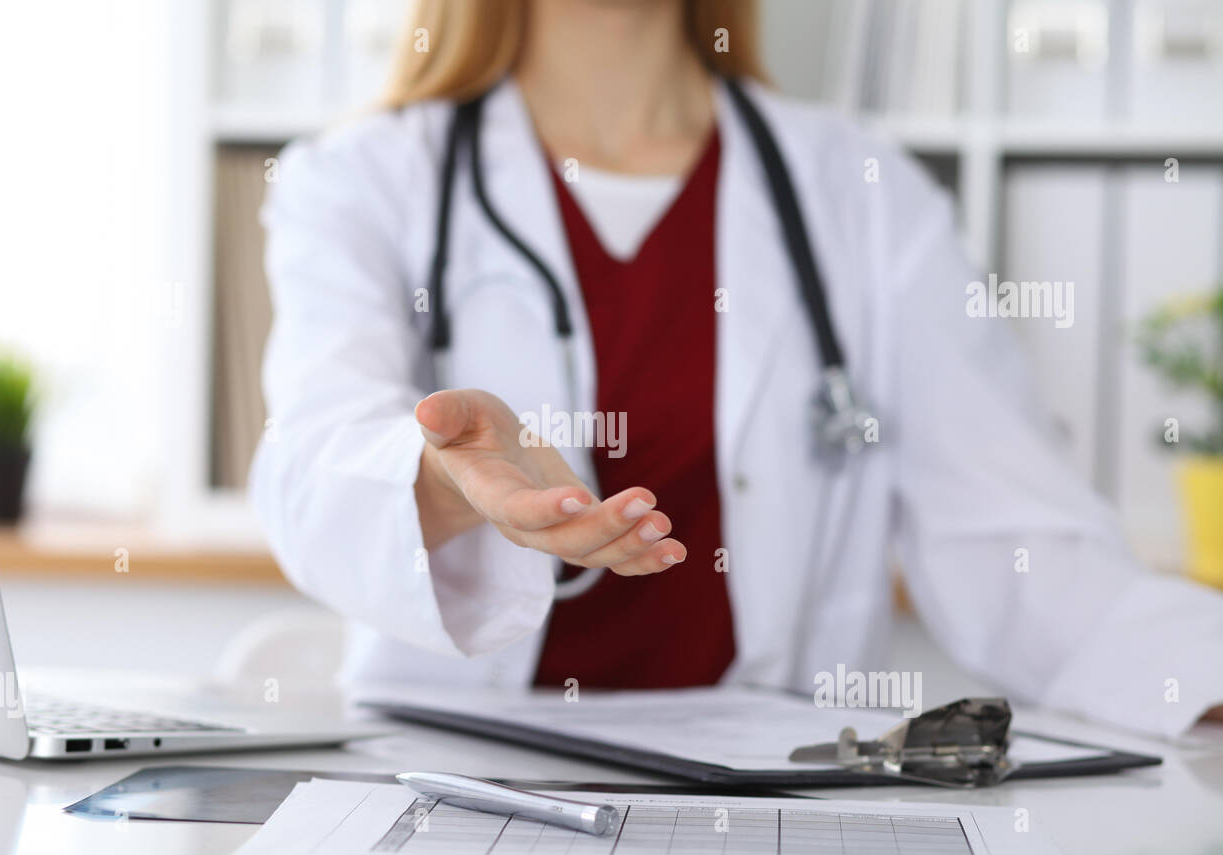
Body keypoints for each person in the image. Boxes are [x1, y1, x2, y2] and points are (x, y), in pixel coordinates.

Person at [250, 0, 1223, 737]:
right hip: (456, 785)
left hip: (773, 797)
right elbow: (311, 458)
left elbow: (1022, 548)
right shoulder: (361, 178)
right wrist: (444, 477)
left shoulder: (863, 193)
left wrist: (1199, 669)